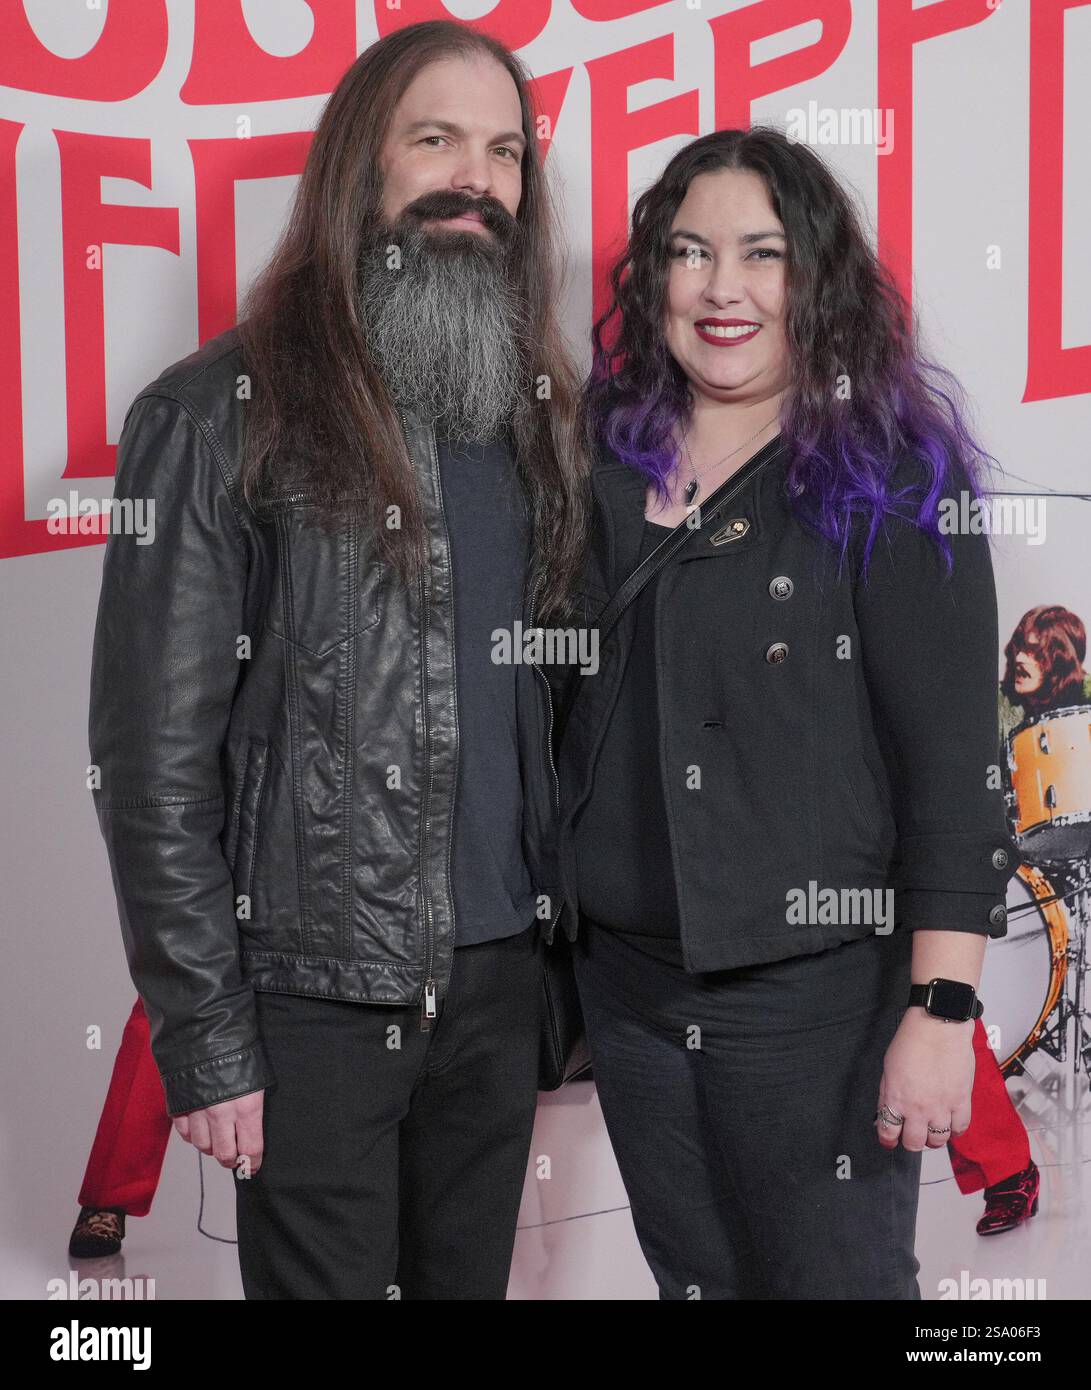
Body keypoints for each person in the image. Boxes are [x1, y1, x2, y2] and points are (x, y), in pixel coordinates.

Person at [87, 19, 588, 1299]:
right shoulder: (211, 415)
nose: (475, 177)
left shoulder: (537, 422)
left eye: (502, 152)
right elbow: (150, 763)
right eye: (435, 140)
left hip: (491, 995)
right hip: (310, 1003)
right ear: (360, 165)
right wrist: (203, 1036)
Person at [552, 126, 1018, 1300]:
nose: (721, 289)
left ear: (814, 278)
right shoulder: (601, 460)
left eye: (760, 255)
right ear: (652, 273)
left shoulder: (891, 475)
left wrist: (939, 1013)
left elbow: (955, 771)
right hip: (632, 992)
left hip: (819, 1000)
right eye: (689, 252)